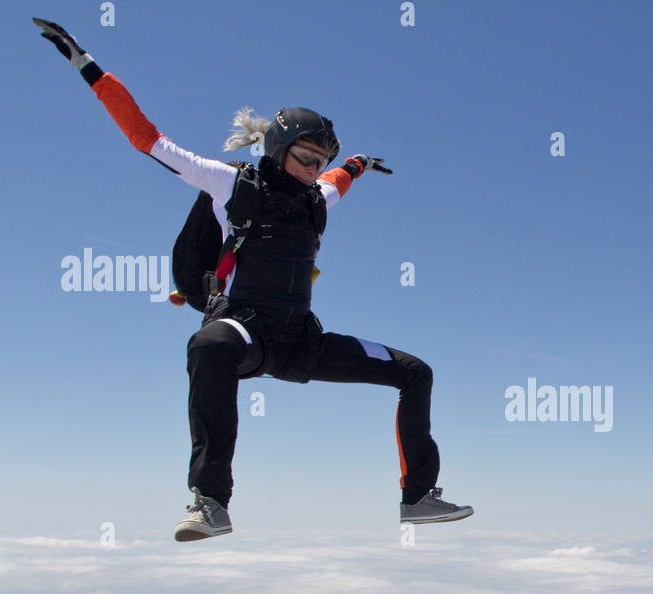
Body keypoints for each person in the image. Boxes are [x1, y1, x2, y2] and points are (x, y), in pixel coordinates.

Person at [33, 19, 473, 541]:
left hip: (302, 342)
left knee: (415, 372)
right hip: (247, 332)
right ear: (278, 148)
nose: (313, 169)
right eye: (306, 158)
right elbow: (146, 138)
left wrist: (356, 164)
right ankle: (211, 502)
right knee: (208, 346)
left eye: (320, 161)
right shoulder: (230, 184)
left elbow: (338, 181)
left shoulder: (316, 199)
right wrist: (88, 67)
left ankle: (418, 498)